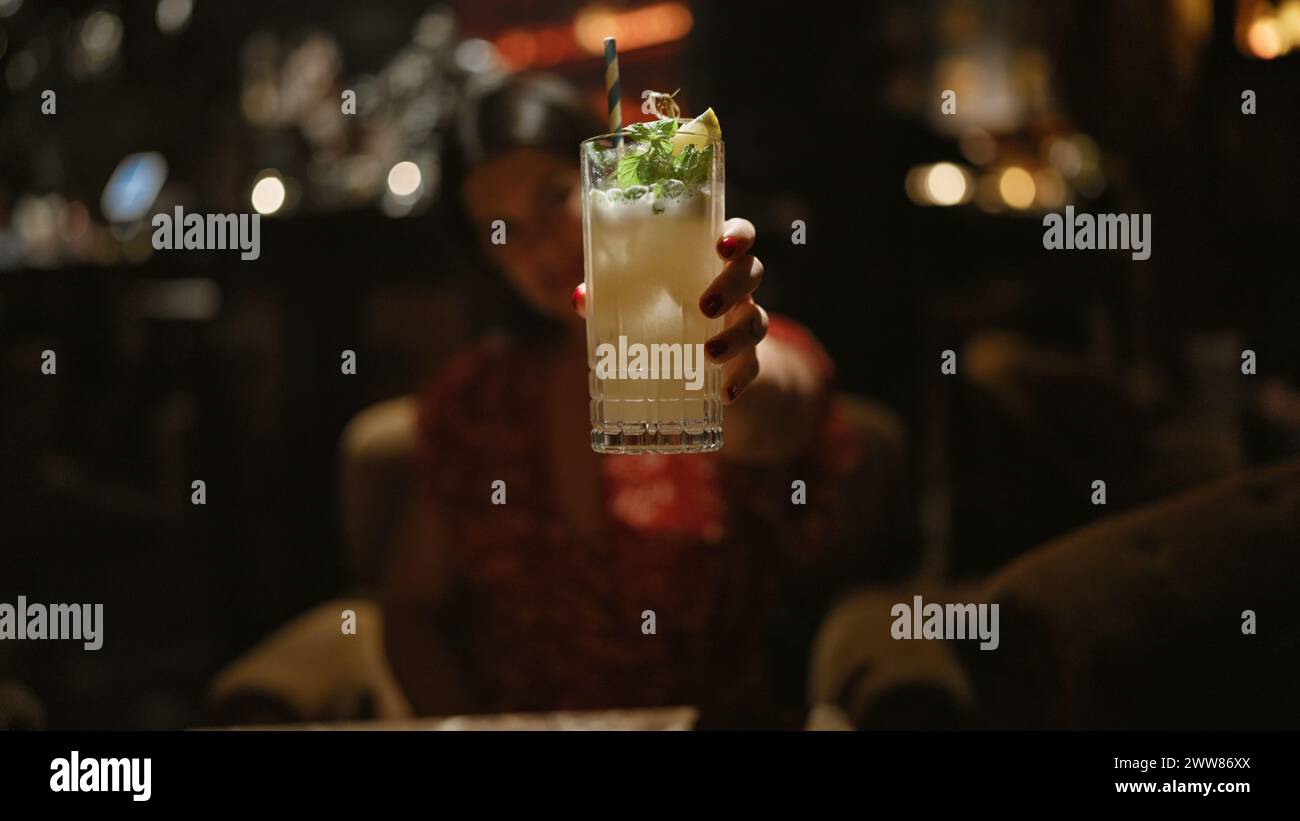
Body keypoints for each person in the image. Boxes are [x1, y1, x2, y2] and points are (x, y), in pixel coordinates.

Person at [382, 73, 873, 718]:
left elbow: (772, 412)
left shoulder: (726, 349)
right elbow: (413, 607)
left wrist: (724, 364)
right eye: (501, 229)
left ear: (616, 189)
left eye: (553, 197)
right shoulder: (477, 399)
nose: (538, 247)